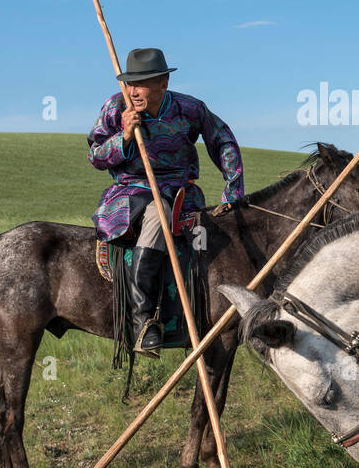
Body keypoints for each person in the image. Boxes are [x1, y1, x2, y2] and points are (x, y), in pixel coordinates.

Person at [87, 47, 244, 355]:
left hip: (182, 192)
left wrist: (233, 187)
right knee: (158, 212)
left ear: (163, 85)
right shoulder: (115, 107)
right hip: (131, 192)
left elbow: (222, 139)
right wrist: (125, 137)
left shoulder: (190, 108)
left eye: (141, 83)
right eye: (130, 83)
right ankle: (143, 320)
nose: (133, 91)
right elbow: (95, 155)